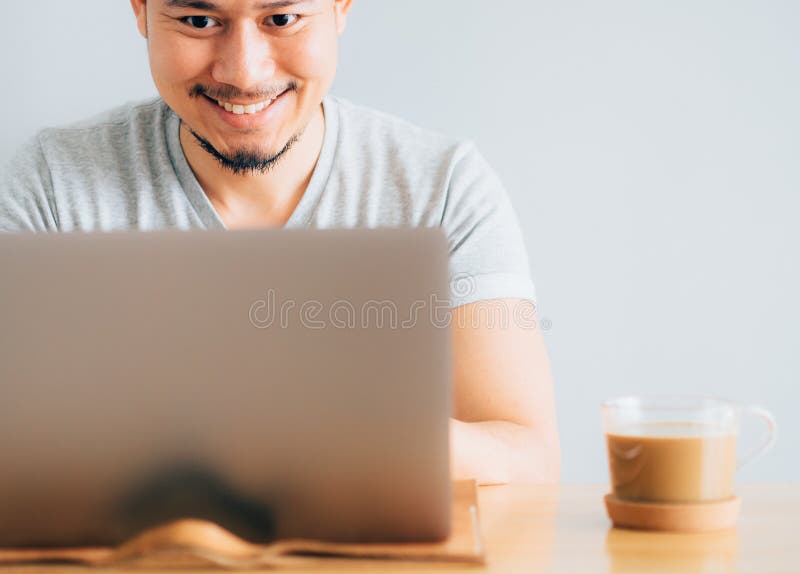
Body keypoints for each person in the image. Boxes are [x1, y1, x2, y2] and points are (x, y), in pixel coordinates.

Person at [0, 0, 560, 484]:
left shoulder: (443, 187)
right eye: (199, 19)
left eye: (282, 17)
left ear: (341, 7)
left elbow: (530, 459)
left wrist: (351, 437)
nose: (243, 71)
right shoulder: (53, 184)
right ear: (140, 11)